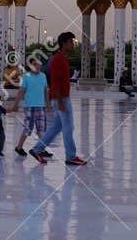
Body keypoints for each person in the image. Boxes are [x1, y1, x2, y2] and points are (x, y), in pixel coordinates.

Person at [30, 31, 86, 166]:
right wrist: (60, 101)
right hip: (61, 98)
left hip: (61, 97)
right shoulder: (57, 59)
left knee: (56, 127)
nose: (73, 44)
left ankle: (37, 149)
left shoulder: (62, 58)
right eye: (71, 42)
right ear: (64, 43)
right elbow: (55, 82)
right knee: (68, 127)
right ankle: (71, 156)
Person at [13, 56, 48, 156]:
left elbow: (45, 90)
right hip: (30, 107)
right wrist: (15, 104)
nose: (37, 66)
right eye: (35, 64)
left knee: (42, 129)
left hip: (41, 106)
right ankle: (19, 147)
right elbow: (21, 91)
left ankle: (41, 149)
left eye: (39, 64)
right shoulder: (26, 77)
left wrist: (48, 105)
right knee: (28, 128)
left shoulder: (43, 76)